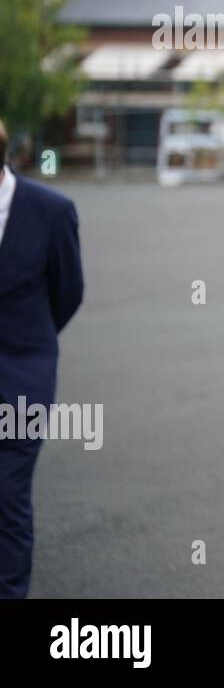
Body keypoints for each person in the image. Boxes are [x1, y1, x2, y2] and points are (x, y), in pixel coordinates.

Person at [0, 119, 84, 598]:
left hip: (18, 382)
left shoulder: (50, 210)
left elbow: (67, 292)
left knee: (7, 497)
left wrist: (28, 345)